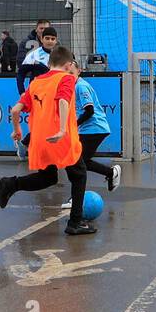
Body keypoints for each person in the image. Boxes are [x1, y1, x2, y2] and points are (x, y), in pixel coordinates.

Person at [0, 45, 96, 236]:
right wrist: (62, 129)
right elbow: (64, 100)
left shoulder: (36, 83)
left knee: (48, 177)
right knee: (79, 174)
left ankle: (11, 184)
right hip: (61, 139)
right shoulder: (66, 78)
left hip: (40, 140)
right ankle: (75, 222)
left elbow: (15, 110)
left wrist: (17, 130)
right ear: (68, 65)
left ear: (49, 63)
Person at [57, 57, 120, 207]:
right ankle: (110, 173)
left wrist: (72, 125)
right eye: (66, 72)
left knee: (76, 163)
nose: (69, 75)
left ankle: (76, 199)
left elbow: (89, 111)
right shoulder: (70, 87)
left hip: (94, 128)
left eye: (72, 72)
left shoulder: (81, 87)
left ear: (79, 71)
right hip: (89, 129)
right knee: (80, 162)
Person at [16, 25, 58, 94]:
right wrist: (22, 92)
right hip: (36, 94)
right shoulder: (34, 55)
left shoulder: (60, 56)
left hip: (54, 94)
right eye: (47, 38)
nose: (50, 41)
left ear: (56, 41)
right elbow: (20, 73)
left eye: (52, 39)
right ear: (41, 39)